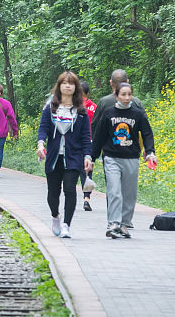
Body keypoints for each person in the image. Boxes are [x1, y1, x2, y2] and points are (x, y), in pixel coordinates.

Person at [91, 82, 156, 239]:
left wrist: (151, 152)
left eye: (129, 94)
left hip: (131, 158)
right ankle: (113, 223)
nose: (127, 98)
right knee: (114, 191)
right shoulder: (108, 113)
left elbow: (147, 134)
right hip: (111, 157)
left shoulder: (138, 114)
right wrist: (92, 158)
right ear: (116, 96)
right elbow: (99, 137)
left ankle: (125, 224)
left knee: (129, 194)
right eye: (123, 94)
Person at [37, 72, 94, 239]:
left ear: (76, 87)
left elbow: (86, 136)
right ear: (59, 86)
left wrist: (88, 156)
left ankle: (66, 225)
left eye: (71, 83)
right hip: (54, 157)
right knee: (53, 193)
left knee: (70, 190)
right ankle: (55, 216)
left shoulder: (81, 112)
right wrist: (41, 144)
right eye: (64, 83)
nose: (68, 86)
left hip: (73, 157)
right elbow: (43, 129)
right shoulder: (50, 108)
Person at [79, 79, 98, 210]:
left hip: (77, 143)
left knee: (80, 169)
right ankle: (87, 198)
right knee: (88, 169)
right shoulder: (94, 107)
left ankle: (83, 196)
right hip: (91, 142)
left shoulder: (74, 107)